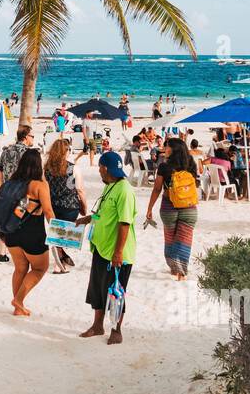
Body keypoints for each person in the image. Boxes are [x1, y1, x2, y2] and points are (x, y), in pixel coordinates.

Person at [77, 151, 136, 345]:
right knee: (98, 289)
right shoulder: (110, 186)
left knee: (115, 292)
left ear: (105, 168)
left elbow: (124, 223)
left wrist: (118, 252)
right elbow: (102, 214)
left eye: (100, 168)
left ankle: (116, 331)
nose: (99, 172)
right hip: (101, 248)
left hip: (117, 253)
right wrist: (87, 219)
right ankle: (97, 326)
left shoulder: (124, 190)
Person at [0, 149, 53, 317]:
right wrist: (60, 233)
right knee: (40, 268)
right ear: (38, 166)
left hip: (12, 232)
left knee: (20, 268)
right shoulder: (39, 185)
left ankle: (18, 308)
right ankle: (19, 300)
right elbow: (49, 212)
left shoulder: (13, 182)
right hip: (33, 234)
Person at [146, 137, 199, 281]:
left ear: (173, 149)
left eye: (167, 146)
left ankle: (174, 269)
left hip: (169, 208)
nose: (164, 149)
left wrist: (149, 208)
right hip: (189, 207)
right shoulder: (191, 164)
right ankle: (181, 272)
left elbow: (157, 189)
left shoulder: (164, 167)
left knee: (170, 239)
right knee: (184, 240)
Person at [44, 138, 85, 274]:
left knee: (57, 231)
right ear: (65, 151)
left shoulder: (47, 168)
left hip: (52, 205)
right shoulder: (73, 168)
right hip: (70, 206)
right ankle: (58, 263)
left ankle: (60, 254)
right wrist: (84, 205)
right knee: (64, 233)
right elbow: (79, 189)